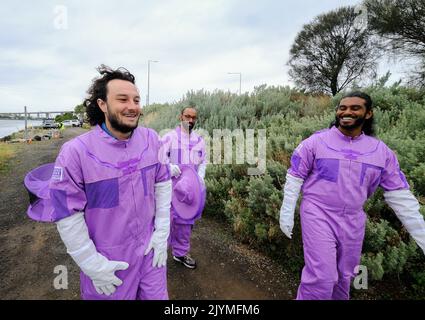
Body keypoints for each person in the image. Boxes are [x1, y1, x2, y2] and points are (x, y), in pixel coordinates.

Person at [33, 65, 171, 300]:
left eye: (136, 100)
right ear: (102, 104)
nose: (132, 106)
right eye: (122, 99)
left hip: (150, 254)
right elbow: (67, 215)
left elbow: (163, 184)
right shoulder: (76, 153)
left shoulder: (151, 140)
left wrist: (162, 232)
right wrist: (91, 263)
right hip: (108, 264)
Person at [279, 91, 425, 300]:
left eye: (355, 108)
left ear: (368, 114)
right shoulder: (316, 142)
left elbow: (400, 196)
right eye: (342, 107)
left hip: (354, 220)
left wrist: (422, 236)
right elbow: (294, 177)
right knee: (322, 277)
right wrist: (286, 212)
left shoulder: (381, 152)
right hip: (317, 214)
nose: (346, 112)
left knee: (345, 277)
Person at [160, 106, 207, 269]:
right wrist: (168, 167)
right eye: (187, 116)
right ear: (181, 117)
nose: (190, 120)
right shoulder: (169, 138)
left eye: (193, 117)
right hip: (169, 189)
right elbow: (158, 159)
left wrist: (200, 177)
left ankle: (180, 253)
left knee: (185, 224)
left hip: (188, 193)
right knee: (163, 222)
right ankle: (158, 255)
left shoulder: (199, 141)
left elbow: (203, 161)